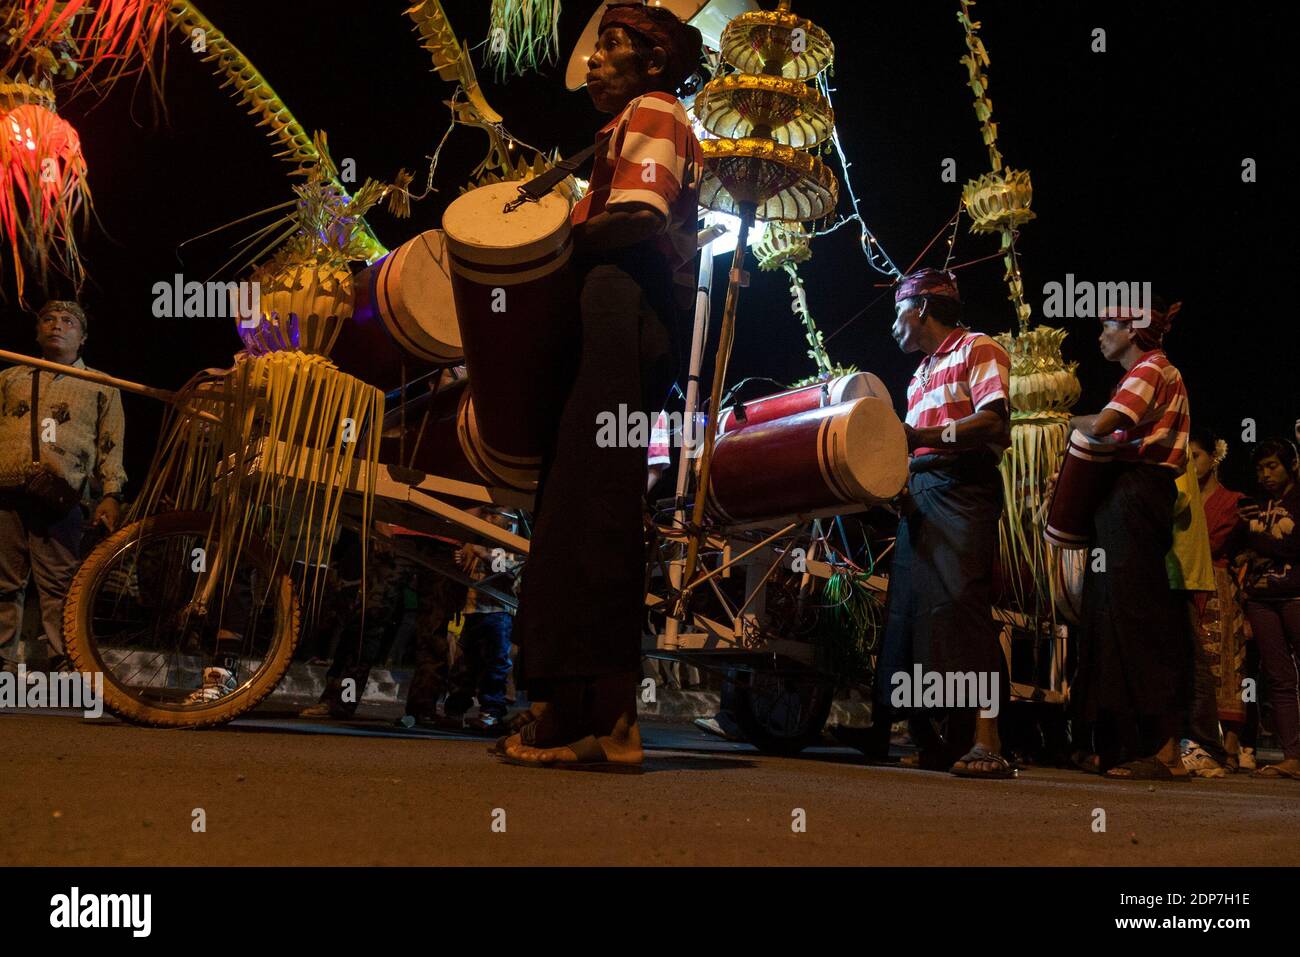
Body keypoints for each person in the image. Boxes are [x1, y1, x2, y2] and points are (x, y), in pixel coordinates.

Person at [499, 1, 703, 772]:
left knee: (598, 508)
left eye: (608, 46)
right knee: (573, 507)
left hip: (623, 305)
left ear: (652, 63)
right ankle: (563, 711)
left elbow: (638, 216)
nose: (591, 59)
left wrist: (549, 240)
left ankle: (615, 724)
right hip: (606, 309)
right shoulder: (616, 129)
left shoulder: (655, 109)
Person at [866, 268, 1014, 779]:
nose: (892, 327)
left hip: (963, 486)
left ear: (922, 308)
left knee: (960, 606)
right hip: (923, 493)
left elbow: (994, 420)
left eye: (897, 314)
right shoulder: (919, 374)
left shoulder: (978, 348)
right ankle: (934, 739)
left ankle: (987, 739)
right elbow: (913, 446)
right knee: (914, 616)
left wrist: (921, 436)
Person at [1068, 299, 1192, 780]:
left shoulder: (1151, 369)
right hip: (1128, 496)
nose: (1101, 335)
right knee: (1109, 613)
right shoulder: (1147, 372)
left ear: (1135, 331)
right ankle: (1119, 744)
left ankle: (1162, 750)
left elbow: (1103, 426)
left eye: (1108, 327)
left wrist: (1064, 424)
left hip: (1137, 493)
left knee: (1135, 614)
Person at [0, 300, 125, 674]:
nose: (57, 325)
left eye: (68, 322)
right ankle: (2, 661)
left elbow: (111, 443)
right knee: (4, 582)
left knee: (61, 584)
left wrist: (111, 493)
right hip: (5, 488)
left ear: (82, 338)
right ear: (37, 331)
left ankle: (64, 661)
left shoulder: (101, 385)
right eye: (48, 320)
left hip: (61, 494)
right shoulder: (9, 379)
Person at [1188, 428, 1256, 772]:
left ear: (1214, 458)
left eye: (1196, 455)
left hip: (1218, 587)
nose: (1190, 462)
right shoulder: (1181, 500)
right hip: (1187, 586)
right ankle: (1198, 743)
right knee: (1193, 665)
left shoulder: (1235, 501)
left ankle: (1230, 746)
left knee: (1227, 666)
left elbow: (1251, 548)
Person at [1236, 439, 1300, 779]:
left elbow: (1292, 546)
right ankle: (1293, 756)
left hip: (1294, 595)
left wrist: (1259, 546)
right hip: (1261, 598)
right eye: (1261, 468)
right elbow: (1242, 545)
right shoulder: (1256, 504)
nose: (1265, 474)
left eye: (1272, 466)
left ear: (1290, 466)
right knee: (1279, 678)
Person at [444, 507, 522, 732]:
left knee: (496, 664)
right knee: (464, 663)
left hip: (498, 612)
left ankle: (491, 713)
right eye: (487, 514)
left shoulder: (512, 542)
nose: (488, 519)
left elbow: (506, 570)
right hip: (474, 610)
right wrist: (463, 558)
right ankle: (455, 710)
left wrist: (481, 552)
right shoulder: (480, 541)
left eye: (494, 515)